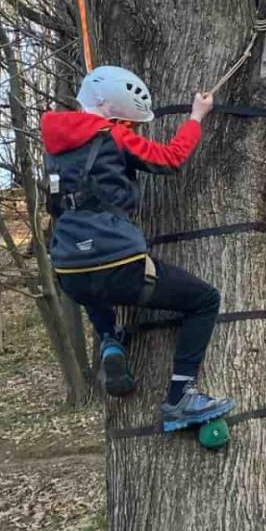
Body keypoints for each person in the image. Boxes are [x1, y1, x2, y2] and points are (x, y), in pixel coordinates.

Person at [42, 65, 235, 432]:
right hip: (119, 259)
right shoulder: (114, 136)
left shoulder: (52, 147)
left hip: (67, 265)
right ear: (116, 111)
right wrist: (196, 117)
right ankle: (180, 396)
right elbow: (170, 158)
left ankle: (110, 341)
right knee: (205, 300)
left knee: (89, 284)